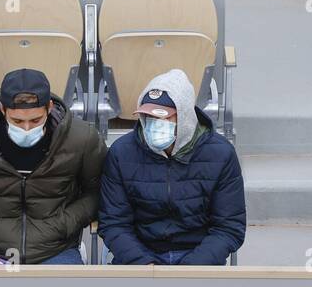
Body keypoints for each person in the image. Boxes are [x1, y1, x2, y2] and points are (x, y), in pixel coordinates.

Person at [0, 68, 105, 265]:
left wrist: (65, 222)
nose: (27, 128)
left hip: (56, 250)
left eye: (36, 120)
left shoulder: (82, 139)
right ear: (3, 110)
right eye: (17, 121)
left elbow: (96, 192)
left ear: (49, 107)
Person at [98, 69, 246, 265]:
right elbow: (114, 223)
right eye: (150, 118)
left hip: (199, 256)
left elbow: (229, 227)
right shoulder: (121, 153)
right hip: (140, 255)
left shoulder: (221, 154)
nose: (155, 125)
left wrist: (190, 269)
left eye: (165, 118)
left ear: (184, 117)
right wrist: (144, 264)